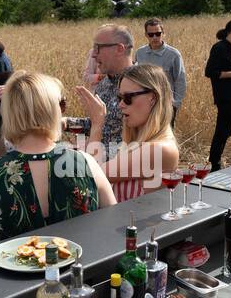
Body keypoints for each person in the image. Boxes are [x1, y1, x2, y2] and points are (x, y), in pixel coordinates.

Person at [0, 71, 114, 249]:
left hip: (16, 276)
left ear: (9, 114)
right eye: (61, 105)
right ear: (53, 111)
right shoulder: (87, 162)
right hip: (81, 273)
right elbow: (111, 225)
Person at [76, 63, 180, 202]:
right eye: (120, 98)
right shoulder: (141, 143)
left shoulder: (159, 149)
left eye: (128, 98)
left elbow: (89, 176)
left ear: (153, 98)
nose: (120, 104)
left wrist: (97, 125)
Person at [205, 18, 231, 169]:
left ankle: (216, 161)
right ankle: (214, 164)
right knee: (221, 132)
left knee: (226, 132)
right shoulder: (219, 48)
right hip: (224, 98)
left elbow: (230, 69)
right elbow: (209, 72)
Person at [89, 24, 135, 152]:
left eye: (98, 48)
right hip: (101, 164)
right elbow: (102, 123)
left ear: (119, 49)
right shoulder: (103, 84)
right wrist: (66, 122)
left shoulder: (144, 85)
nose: (93, 54)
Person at [134, 17, 187, 126]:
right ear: (146, 35)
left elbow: (180, 80)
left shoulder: (174, 54)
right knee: (146, 137)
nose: (154, 37)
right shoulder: (140, 53)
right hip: (145, 104)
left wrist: (175, 104)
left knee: (165, 139)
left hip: (166, 104)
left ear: (163, 33)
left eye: (158, 34)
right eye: (151, 34)